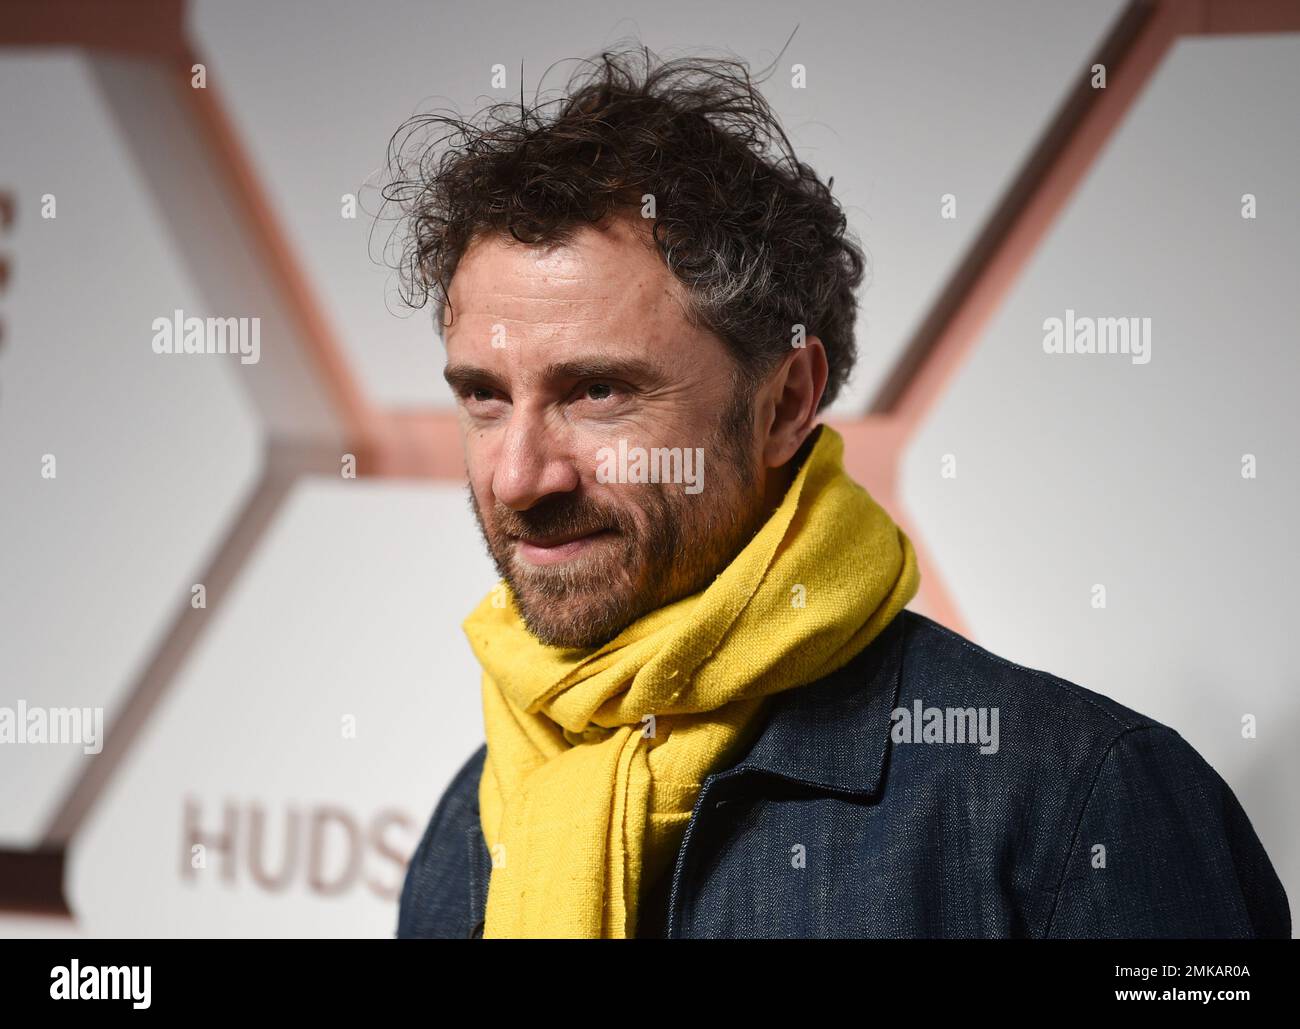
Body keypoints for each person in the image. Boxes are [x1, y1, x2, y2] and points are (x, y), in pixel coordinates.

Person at [386, 46, 1289, 939]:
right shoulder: (473, 822)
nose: (518, 476)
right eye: (485, 397)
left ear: (784, 403)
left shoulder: (1079, 807)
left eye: (597, 392)